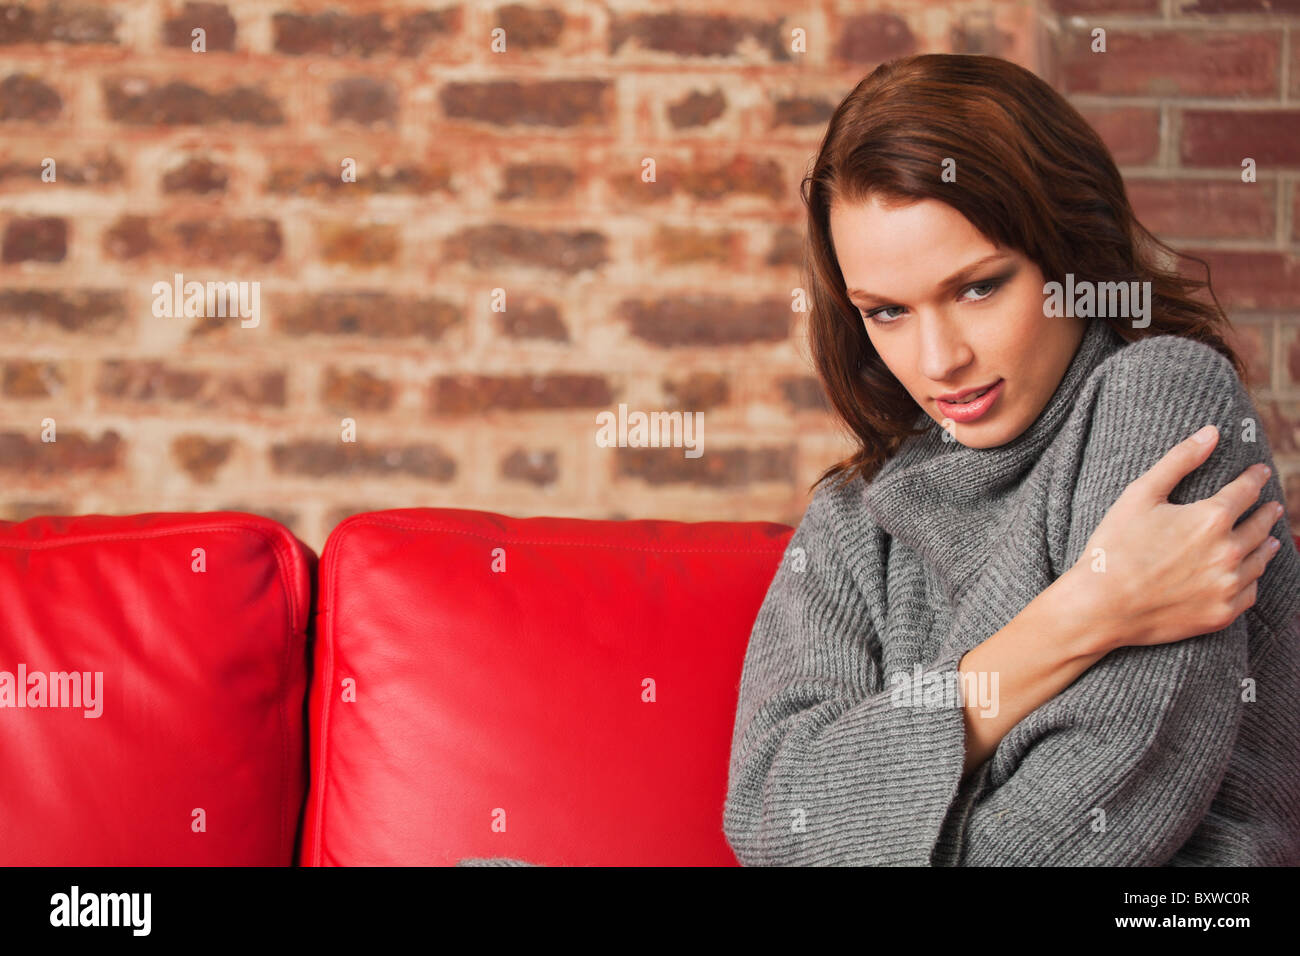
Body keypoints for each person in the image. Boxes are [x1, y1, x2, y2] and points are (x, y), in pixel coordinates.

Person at [722, 53, 1300, 866]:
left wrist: (885, 816)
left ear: (1069, 252)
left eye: (979, 288)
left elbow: (1087, 832)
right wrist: (1084, 615)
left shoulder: (1162, 400)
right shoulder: (856, 515)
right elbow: (773, 816)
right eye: (887, 311)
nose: (938, 359)